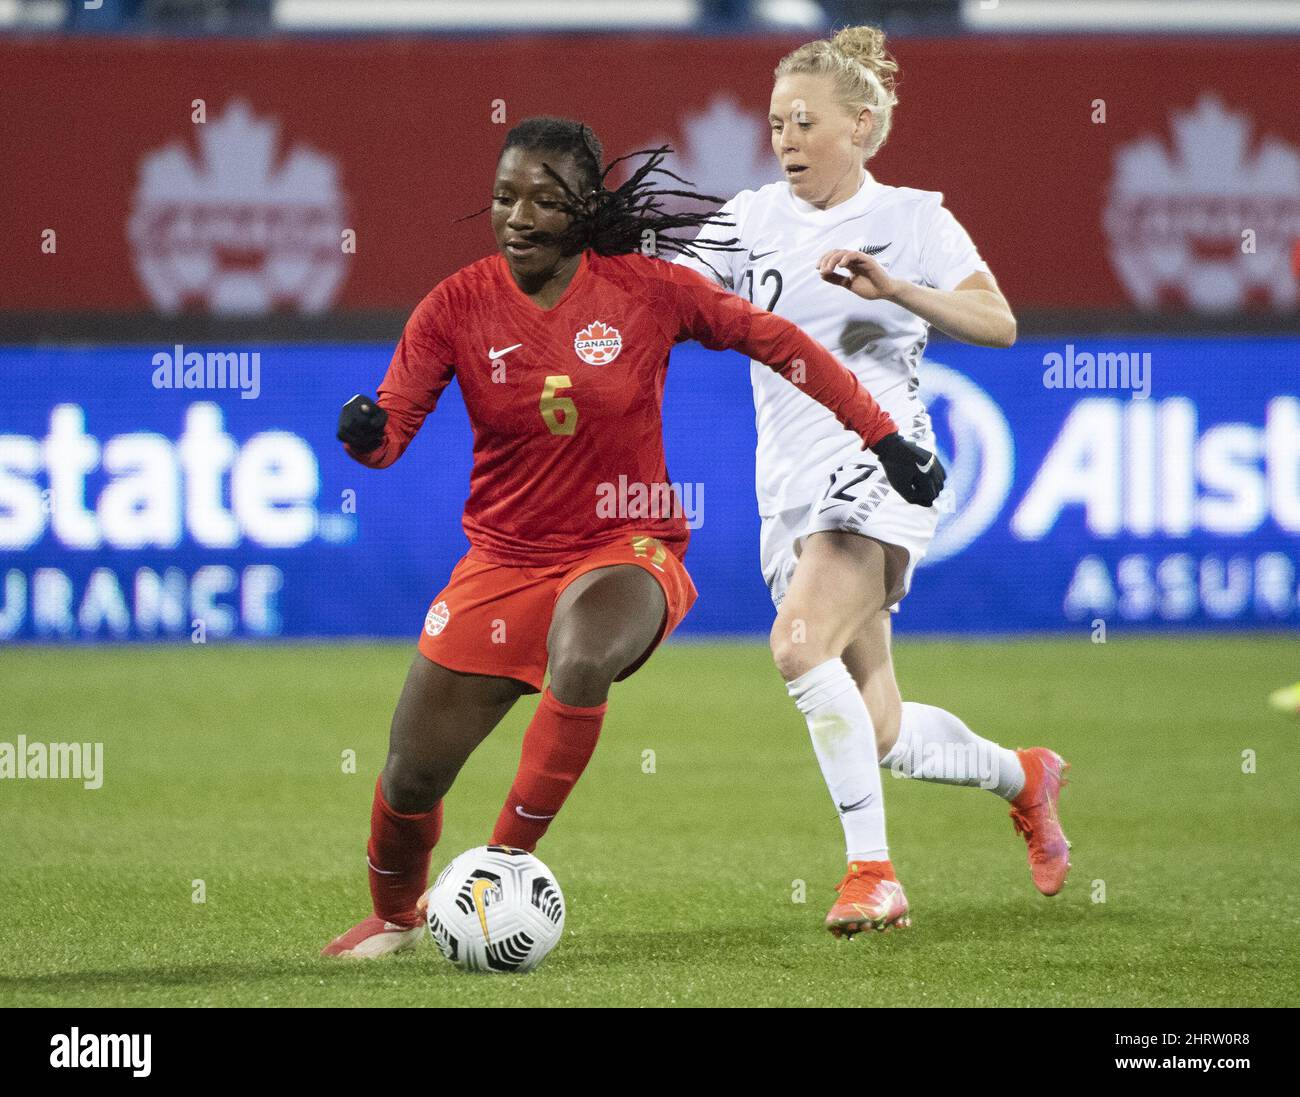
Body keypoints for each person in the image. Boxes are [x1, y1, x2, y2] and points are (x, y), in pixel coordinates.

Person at [321, 116, 944, 957]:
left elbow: (779, 343)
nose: (518, 216)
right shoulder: (456, 305)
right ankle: (396, 914)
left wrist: (882, 435)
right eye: (505, 196)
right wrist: (363, 434)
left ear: (584, 210)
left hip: (628, 547)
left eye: (544, 200)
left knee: (582, 654)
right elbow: (390, 435)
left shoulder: (648, 290)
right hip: (502, 563)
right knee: (410, 775)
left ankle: (503, 866)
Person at [675, 26, 1070, 937]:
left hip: (883, 464)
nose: (784, 140)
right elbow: (670, 295)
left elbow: (998, 322)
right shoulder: (746, 218)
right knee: (880, 730)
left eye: (803, 122)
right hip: (790, 491)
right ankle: (1024, 775)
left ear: (861, 125)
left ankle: (874, 875)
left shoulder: (916, 219)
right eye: (774, 123)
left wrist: (898, 291)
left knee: (796, 644)